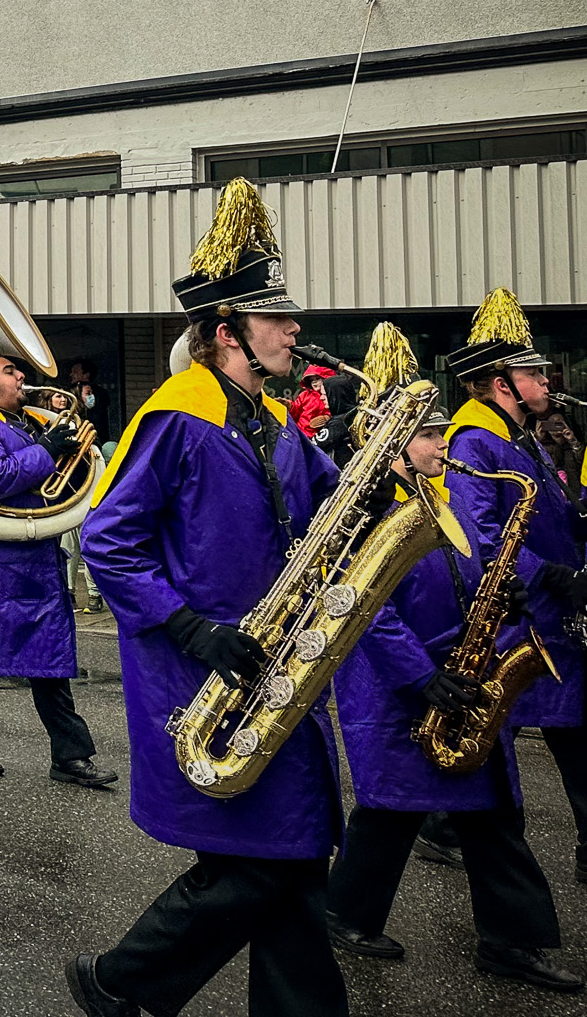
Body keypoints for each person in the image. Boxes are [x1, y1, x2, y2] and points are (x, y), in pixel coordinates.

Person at [70, 178, 347, 1017]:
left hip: (272, 669)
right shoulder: (177, 414)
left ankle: (131, 987)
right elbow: (106, 541)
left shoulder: (271, 419)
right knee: (269, 860)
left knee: (292, 858)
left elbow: (327, 502)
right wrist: (191, 629)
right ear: (227, 333)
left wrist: (388, 466)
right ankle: (120, 981)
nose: (295, 330)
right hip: (208, 675)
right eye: (277, 318)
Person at [323, 327, 578, 992]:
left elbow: (471, 574)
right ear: (390, 449)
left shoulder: (439, 498)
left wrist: (511, 592)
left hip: (459, 677)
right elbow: (368, 613)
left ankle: (496, 937)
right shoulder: (373, 517)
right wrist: (423, 677)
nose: (447, 445)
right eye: (431, 436)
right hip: (404, 689)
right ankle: (351, 913)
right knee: (395, 810)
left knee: (466, 813)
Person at [443, 288, 587, 893]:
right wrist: (550, 576)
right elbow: (479, 535)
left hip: (554, 618)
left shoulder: (520, 435)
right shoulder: (475, 440)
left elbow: (550, 512)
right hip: (522, 621)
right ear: (501, 383)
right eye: (533, 372)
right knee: (537, 748)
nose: (547, 379)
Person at [0, 349, 113, 787]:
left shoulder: (27, 422)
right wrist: (48, 450)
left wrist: (70, 457)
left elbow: (51, 481)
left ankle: (71, 757)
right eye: (10, 372)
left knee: (50, 659)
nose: (21, 377)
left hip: (35, 557)